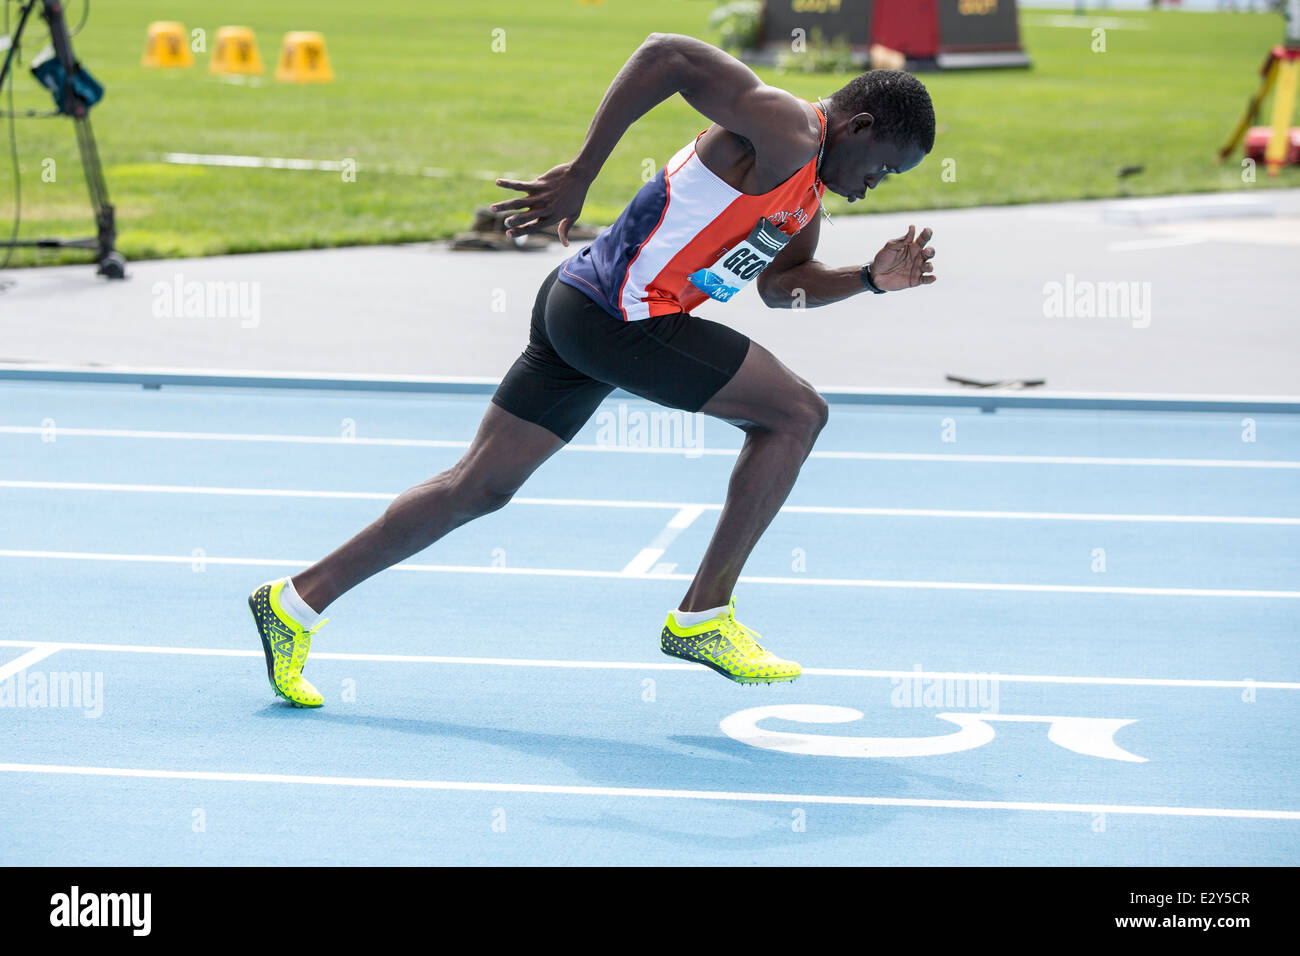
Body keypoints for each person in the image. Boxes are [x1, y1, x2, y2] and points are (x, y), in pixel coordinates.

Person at [248, 32, 938, 707]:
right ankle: (703, 617)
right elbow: (667, 54)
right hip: (619, 321)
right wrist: (582, 172)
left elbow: (780, 288)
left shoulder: (805, 196)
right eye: (882, 168)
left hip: (580, 307)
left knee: (477, 488)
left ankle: (295, 601)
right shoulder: (787, 130)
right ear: (859, 126)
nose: (873, 189)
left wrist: (869, 280)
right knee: (796, 414)